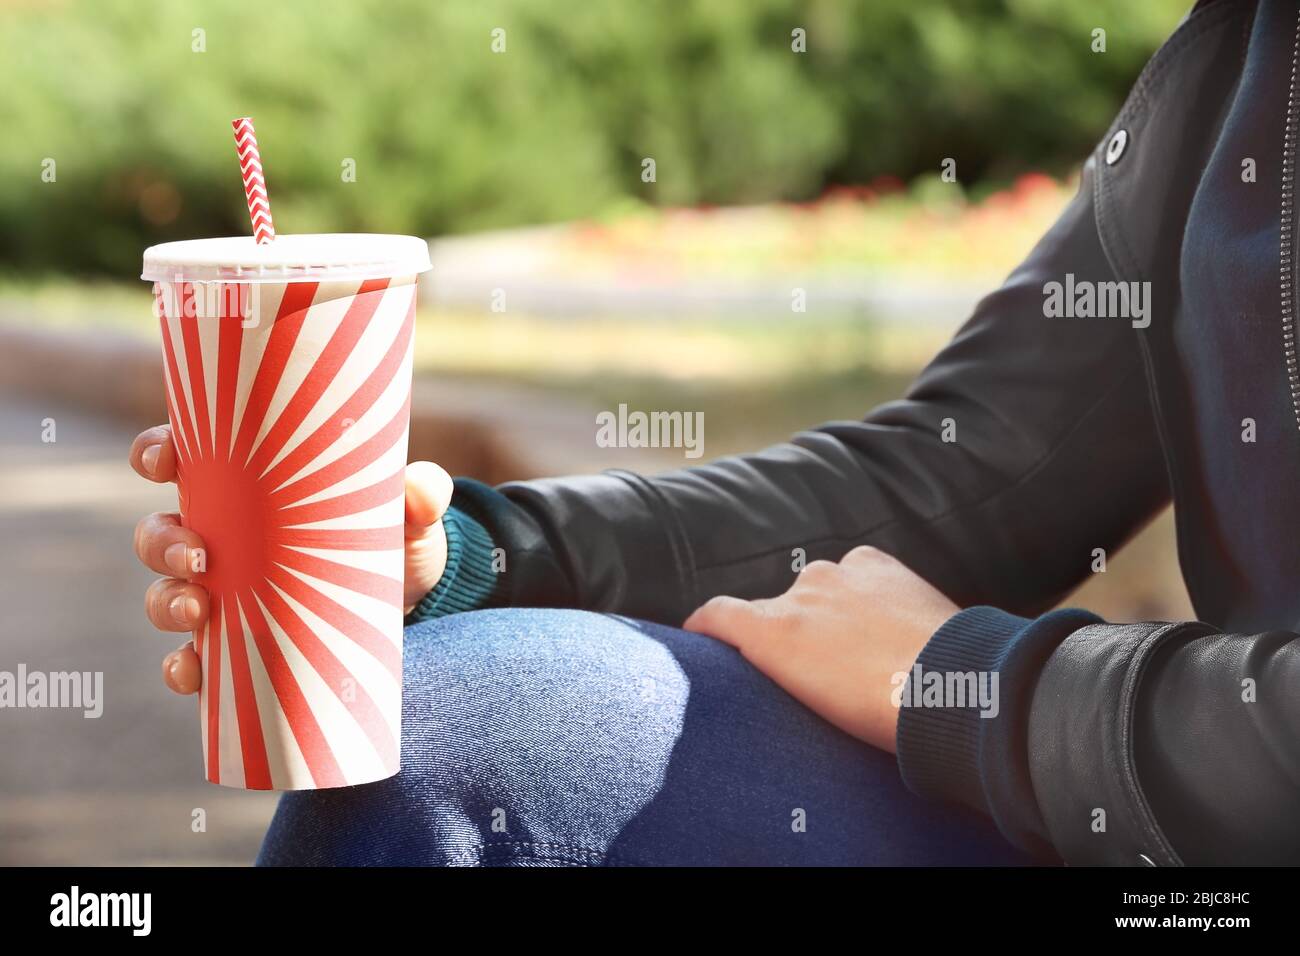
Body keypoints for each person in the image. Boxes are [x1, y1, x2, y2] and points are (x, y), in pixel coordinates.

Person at [131, 0, 1298, 865]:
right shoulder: (1244, 57)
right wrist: (471, 557)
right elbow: (968, 470)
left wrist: (967, 687)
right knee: (453, 735)